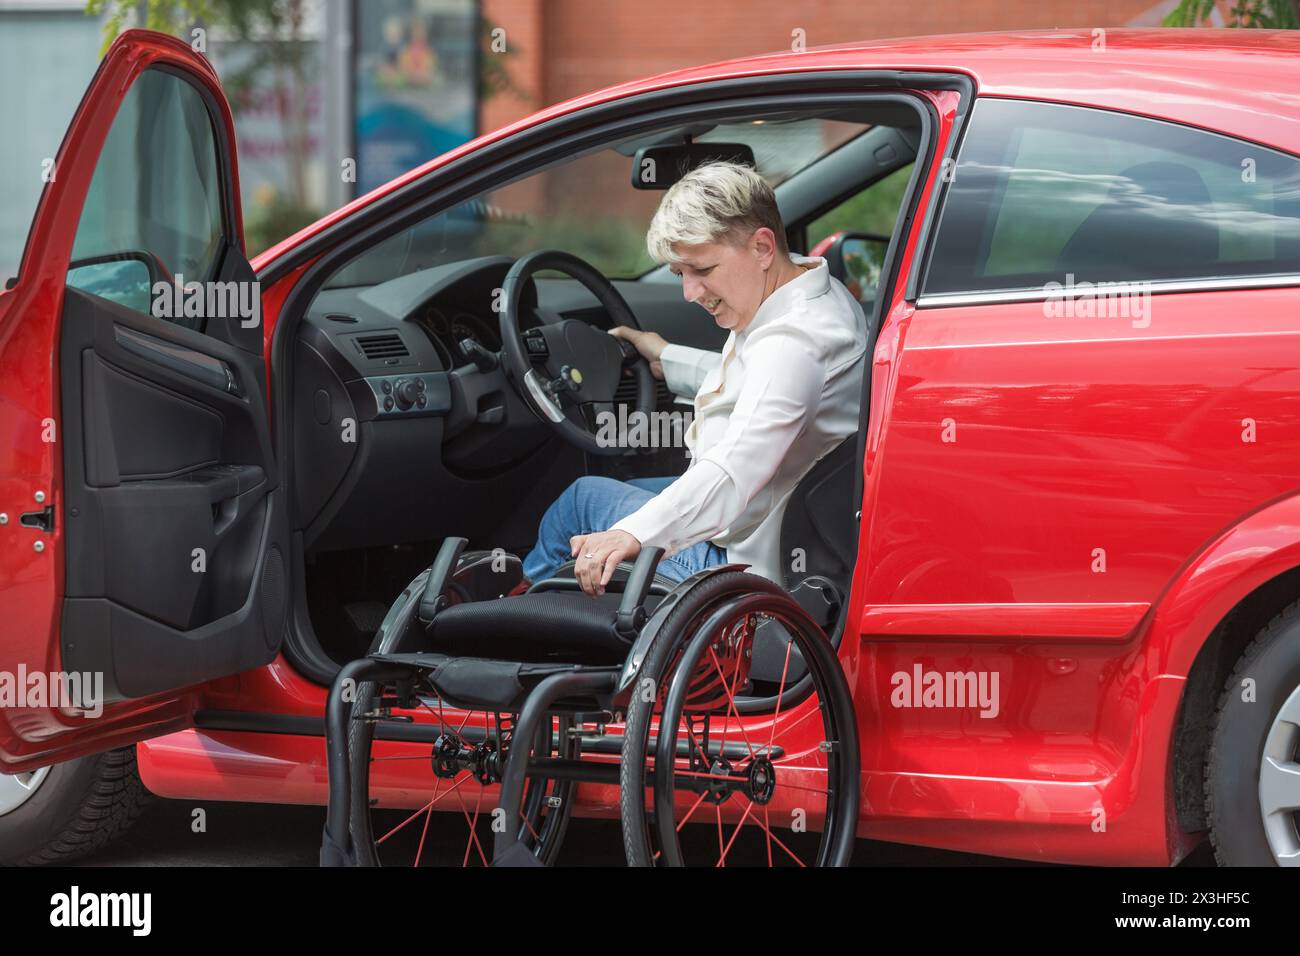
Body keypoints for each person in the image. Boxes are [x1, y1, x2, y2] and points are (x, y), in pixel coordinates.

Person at [521, 160, 867, 597]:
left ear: (762, 247)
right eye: (679, 274)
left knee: (580, 502)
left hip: (741, 559)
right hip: (758, 519)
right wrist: (667, 355)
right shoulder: (812, 290)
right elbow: (762, 385)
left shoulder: (793, 342)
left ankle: (515, 626)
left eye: (701, 270)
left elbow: (732, 471)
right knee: (621, 495)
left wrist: (632, 536)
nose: (690, 293)